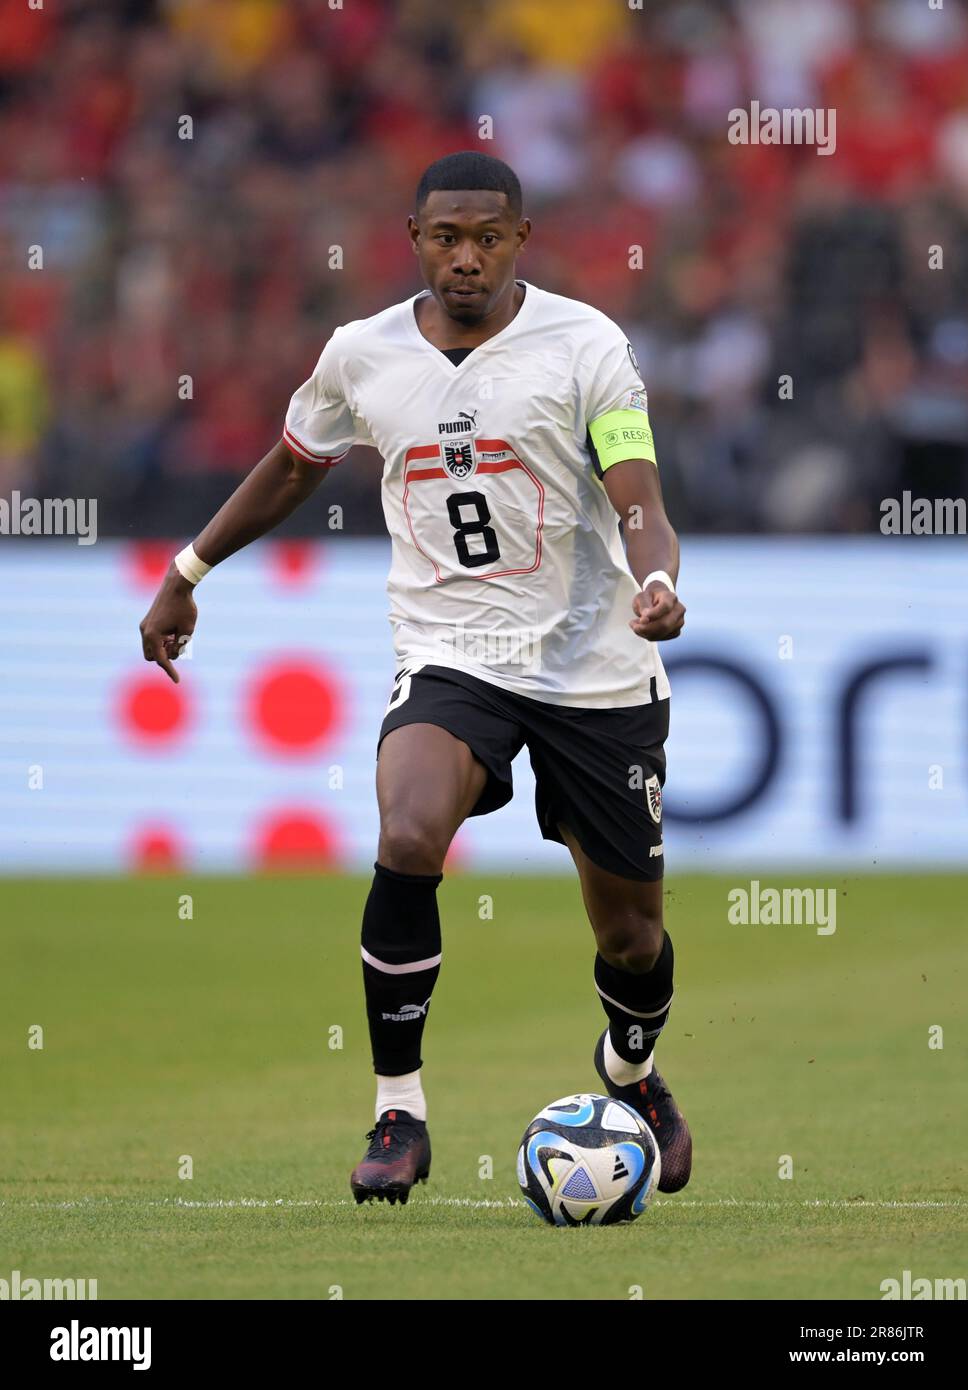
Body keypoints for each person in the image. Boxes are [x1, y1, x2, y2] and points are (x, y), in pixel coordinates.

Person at [139, 150, 691, 1210]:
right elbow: (295, 463)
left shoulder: (585, 344)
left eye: (487, 238)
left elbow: (635, 488)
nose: (467, 258)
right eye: (446, 237)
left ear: (521, 240)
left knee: (629, 934)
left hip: (593, 666)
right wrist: (187, 569)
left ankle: (631, 1074)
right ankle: (400, 1112)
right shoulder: (361, 354)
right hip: (449, 654)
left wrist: (656, 575)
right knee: (404, 833)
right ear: (414, 239)